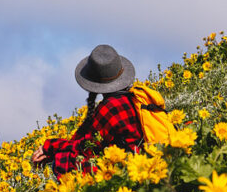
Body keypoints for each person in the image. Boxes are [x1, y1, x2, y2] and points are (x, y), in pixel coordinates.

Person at [31, 44, 143, 177]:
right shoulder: (136, 97)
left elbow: (86, 147)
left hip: (126, 166)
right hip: (141, 156)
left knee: (64, 159)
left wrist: (50, 147)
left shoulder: (109, 107)